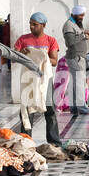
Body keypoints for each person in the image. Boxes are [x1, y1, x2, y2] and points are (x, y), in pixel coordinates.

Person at [13, 13, 61, 144]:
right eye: (30, 23)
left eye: (35, 24)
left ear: (43, 25)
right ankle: (26, 141)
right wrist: (21, 54)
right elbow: (13, 57)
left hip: (45, 80)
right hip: (27, 79)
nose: (31, 26)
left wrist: (42, 57)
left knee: (49, 109)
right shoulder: (23, 40)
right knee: (27, 110)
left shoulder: (50, 41)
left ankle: (54, 142)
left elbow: (54, 61)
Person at [61, 6, 89, 115]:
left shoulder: (76, 24)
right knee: (79, 82)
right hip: (75, 57)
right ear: (74, 14)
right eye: (80, 15)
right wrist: (83, 36)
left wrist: (83, 35)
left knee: (76, 83)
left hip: (79, 57)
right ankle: (82, 107)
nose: (82, 17)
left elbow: (78, 37)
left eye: (83, 15)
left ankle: (74, 107)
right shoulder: (69, 25)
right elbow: (69, 42)